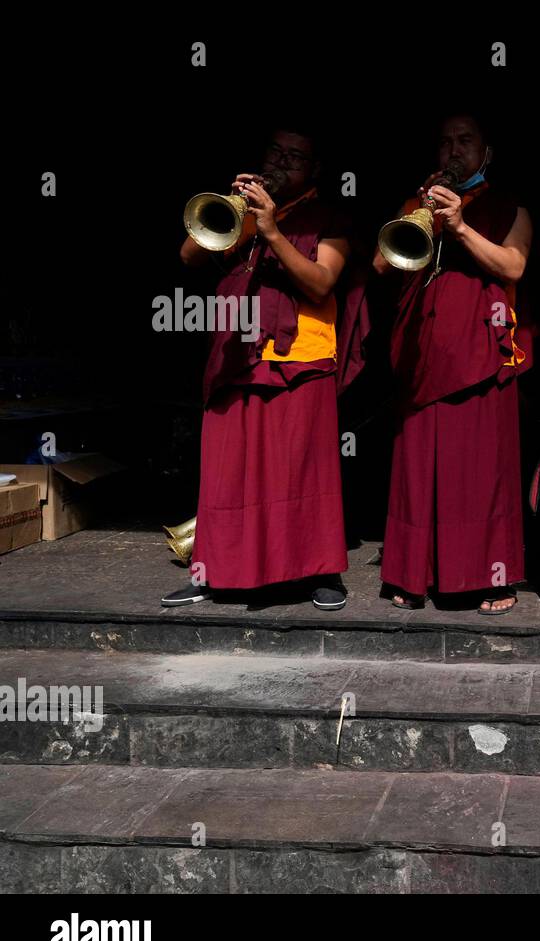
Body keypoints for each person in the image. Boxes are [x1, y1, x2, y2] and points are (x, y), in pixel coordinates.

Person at [164, 126, 368, 611]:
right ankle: (213, 570)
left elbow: (321, 283)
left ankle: (321, 573)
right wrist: (234, 207)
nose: (281, 162)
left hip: (300, 356)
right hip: (236, 353)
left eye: (295, 157)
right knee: (227, 472)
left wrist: (273, 230)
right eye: (276, 152)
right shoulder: (244, 211)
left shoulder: (330, 217)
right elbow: (189, 255)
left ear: (315, 170)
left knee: (304, 472)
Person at [375, 114, 532, 614]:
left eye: (465, 141)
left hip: (481, 355)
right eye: (445, 142)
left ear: (487, 153)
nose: (454, 150)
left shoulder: (510, 208)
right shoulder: (418, 202)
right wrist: (422, 212)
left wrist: (460, 226)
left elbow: (513, 266)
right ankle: (412, 573)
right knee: (418, 469)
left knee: (481, 472)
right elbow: (381, 263)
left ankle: (491, 578)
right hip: (424, 354)